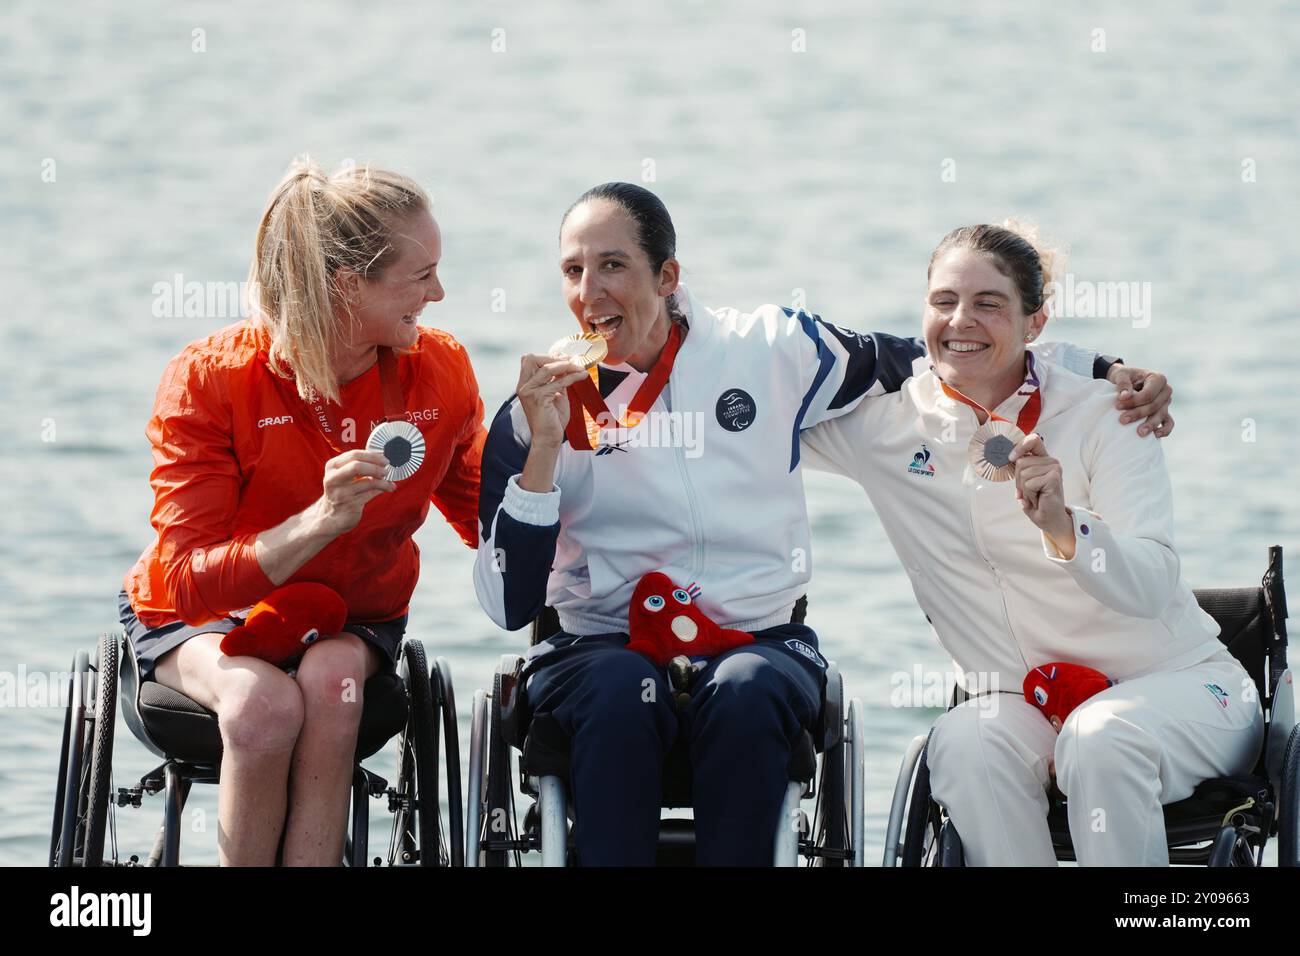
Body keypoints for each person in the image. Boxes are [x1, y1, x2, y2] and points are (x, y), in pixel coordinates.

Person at [472, 184, 1168, 865]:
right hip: (598, 648)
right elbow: (507, 607)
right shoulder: (537, 409)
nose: (589, 291)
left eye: (613, 265)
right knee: (622, 690)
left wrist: (1103, 368)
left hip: (757, 639)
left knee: (746, 691)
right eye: (573, 270)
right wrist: (541, 454)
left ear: (668, 276)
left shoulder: (772, 349)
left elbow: (938, 356)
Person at [799, 222, 1263, 865]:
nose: (961, 320)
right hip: (1025, 703)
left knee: (1101, 739)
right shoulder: (887, 427)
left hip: (1180, 687)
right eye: (943, 301)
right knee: (963, 742)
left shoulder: (1110, 411)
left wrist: (1065, 529)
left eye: (989, 304)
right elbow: (754, 420)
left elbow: (1152, 583)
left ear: (1035, 322)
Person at [119, 158, 485, 866]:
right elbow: (188, 582)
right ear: (350, 285)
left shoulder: (438, 371)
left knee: (330, 686)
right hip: (202, 617)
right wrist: (318, 521)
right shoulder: (210, 379)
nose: (440, 292)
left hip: (351, 616)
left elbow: (488, 527)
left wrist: (548, 439)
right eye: (422, 275)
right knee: (263, 707)